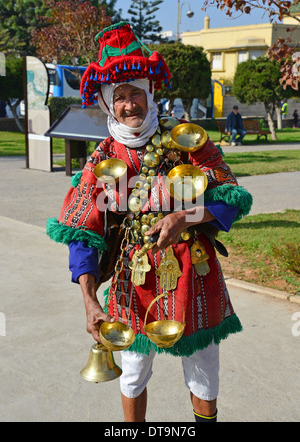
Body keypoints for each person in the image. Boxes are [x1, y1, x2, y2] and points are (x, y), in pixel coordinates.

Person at [46, 22, 252, 423]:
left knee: (205, 371)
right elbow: (83, 234)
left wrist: (185, 215)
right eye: (118, 96)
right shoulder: (100, 159)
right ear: (107, 103)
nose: (129, 104)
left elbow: (231, 196)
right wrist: (89, 300)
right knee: (133, 373)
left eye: (135, 93)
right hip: (131, 280)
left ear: (151, 93)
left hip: (196, 272)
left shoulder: (187, 141)